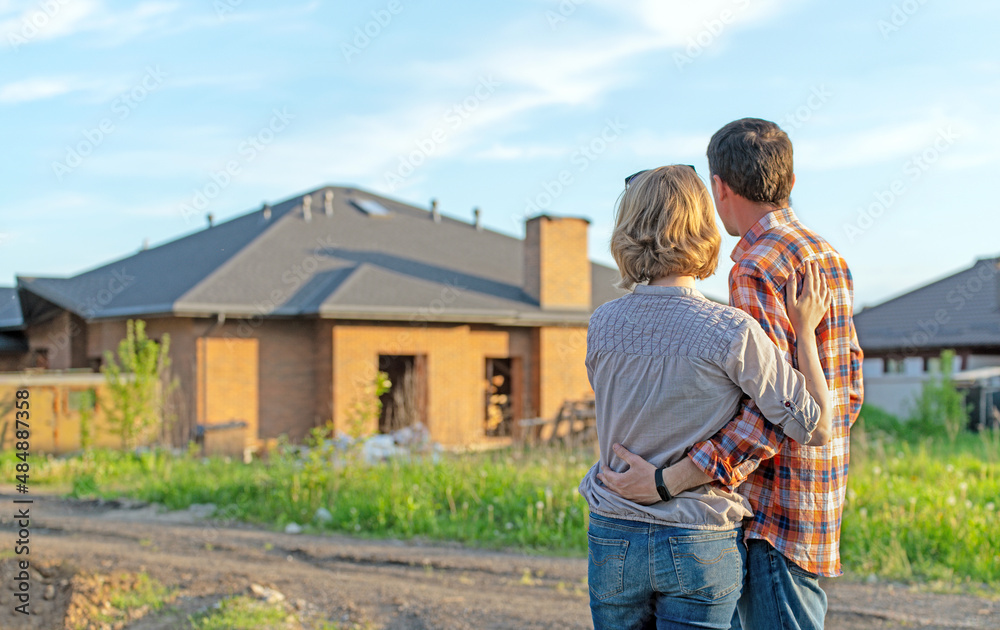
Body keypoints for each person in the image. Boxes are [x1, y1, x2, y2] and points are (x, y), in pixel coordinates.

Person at [599, 119, 864, 630]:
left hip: (772, 504)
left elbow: (767, 410)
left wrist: (670, 479)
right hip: (820, 491)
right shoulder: (827, 255)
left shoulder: (755, 265)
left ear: (720, 187)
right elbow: (846, 393)